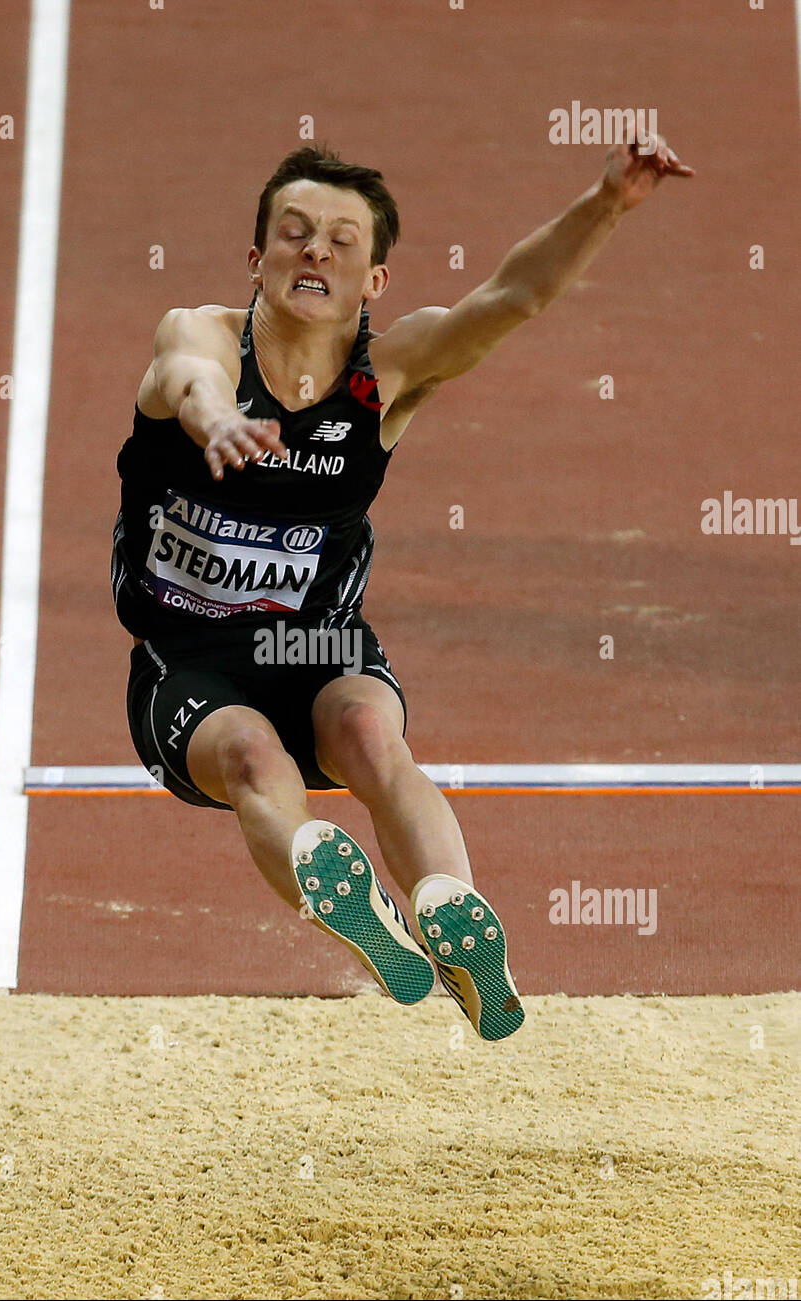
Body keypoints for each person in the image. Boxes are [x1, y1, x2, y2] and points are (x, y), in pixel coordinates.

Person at [111, 139, 693, 1040]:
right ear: (255, 258)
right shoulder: (202, 333)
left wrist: (607, 201)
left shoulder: (387, 373)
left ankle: (449, 913)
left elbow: (513, 299)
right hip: (184, 658)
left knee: (370, 735)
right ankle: (362, 922)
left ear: (374, 280)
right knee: (253, 760)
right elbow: (188, 374)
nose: (315, 251)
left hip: (315, 644)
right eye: (294, 233)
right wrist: (219, 417)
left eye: (341, 241)